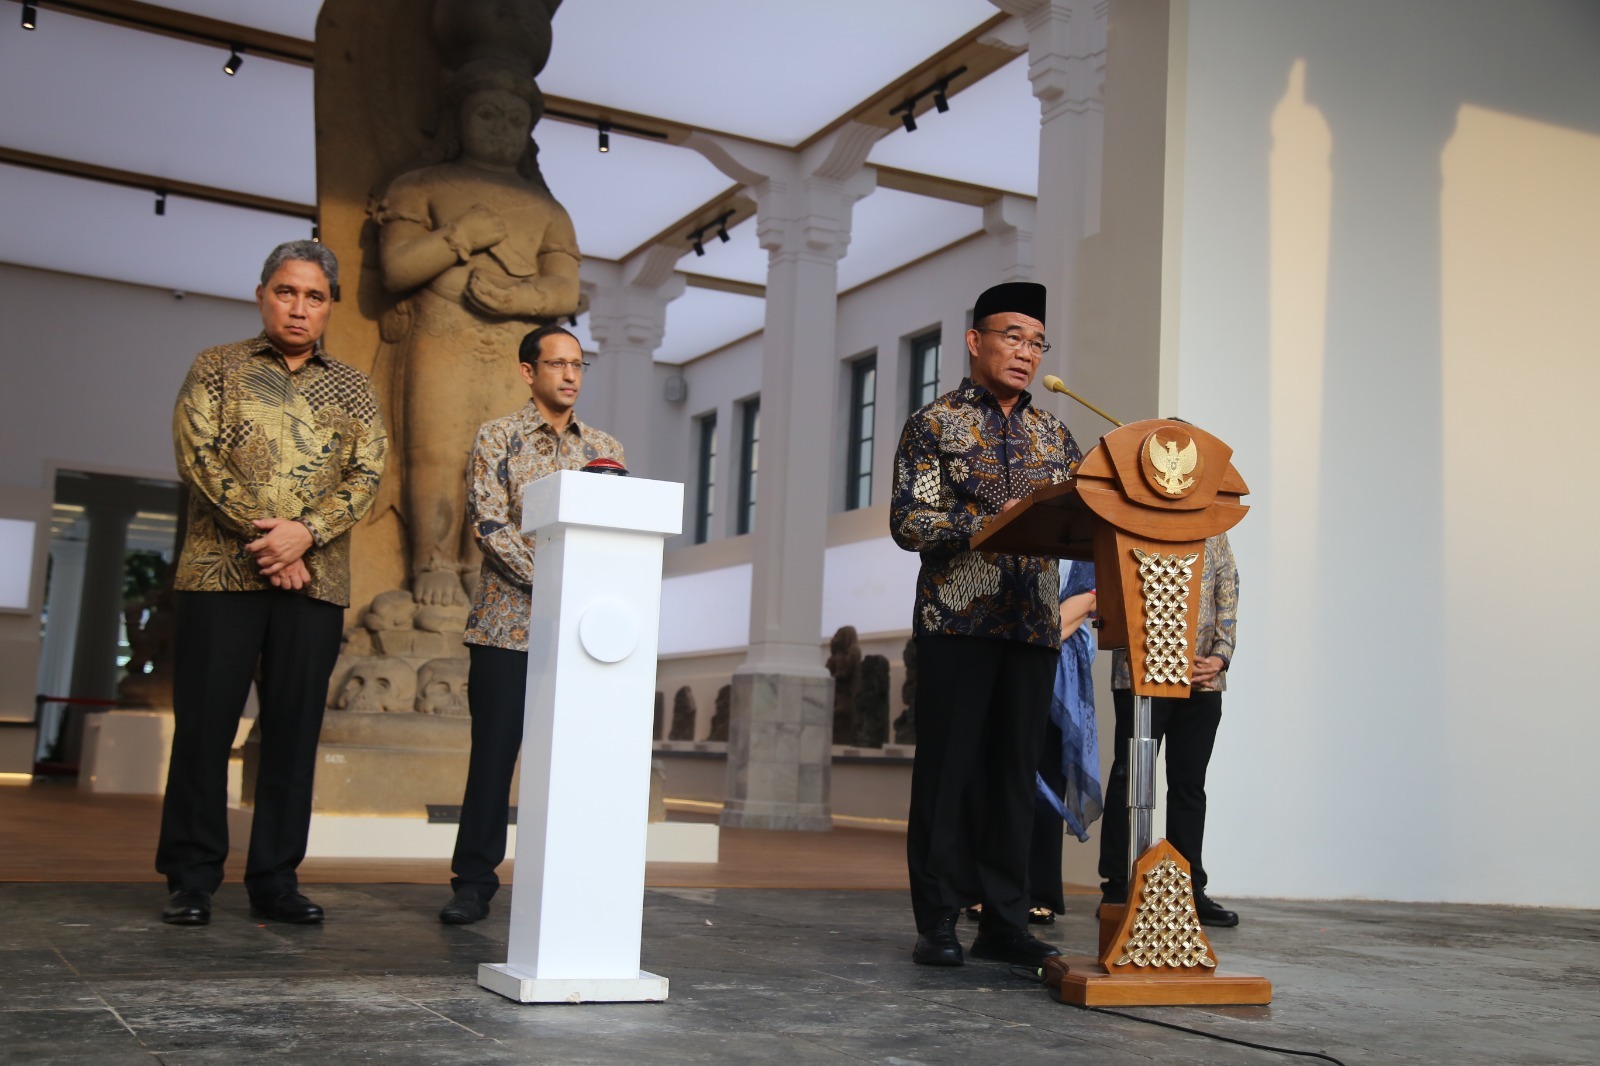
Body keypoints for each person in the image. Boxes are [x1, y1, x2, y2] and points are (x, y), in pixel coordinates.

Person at [158, 241, 388, 926]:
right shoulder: (217, 367)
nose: (298, 307)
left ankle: (276, 881)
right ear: (262, 295)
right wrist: (272, 540)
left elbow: (367, 474)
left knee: (293, 734)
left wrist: (305, 534)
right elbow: (197, 456)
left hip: (313, 583)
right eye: (286, 292)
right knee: (205, 729)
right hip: (217, 576)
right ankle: (191, 879)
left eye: (314, 296)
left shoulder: (355, 388)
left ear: (330, 307)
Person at [890, 281, 1082, 968]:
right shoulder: (935, 424)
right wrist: (989, 523)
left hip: (1032, 624)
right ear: (975, 341)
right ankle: (938, 919)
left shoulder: (1054, 435)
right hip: (957, 622)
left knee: (1014, 775)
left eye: (1037, 343)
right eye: (1012, 337)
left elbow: (1081, 519)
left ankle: (1005, 921)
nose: (1026, 352)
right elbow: (910, 522)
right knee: (948, 773)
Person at [374, 61, 582, 608]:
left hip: (515, 346)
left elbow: (565, 289)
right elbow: (397, 268)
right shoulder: (419, 187)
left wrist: (519, 299)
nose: (500, 129)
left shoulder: (546, 209)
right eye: (487, 114)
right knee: (436, 451)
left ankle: (482, 561)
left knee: (502, 457)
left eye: (515, 120)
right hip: (442, 335)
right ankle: (432, 561)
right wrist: (459, 235)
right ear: (458, 117)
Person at [438, 324, 624, 924]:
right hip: (506, 626)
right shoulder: (498, 438)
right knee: (494, 759)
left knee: (574, 761)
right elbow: (489, 526)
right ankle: (473, 883)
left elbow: (614, 534)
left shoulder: (605, 451)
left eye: (578, 365)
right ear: (528, 371)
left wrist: (586, 591)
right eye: (557, 364)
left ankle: (568, 882)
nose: (570, 375)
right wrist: (557, 581)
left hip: (581, 636)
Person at [1097, 531, 1240, 927]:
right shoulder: (1135, 522)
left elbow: (1228, 588)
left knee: (1189, 784)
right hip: (1142, 672)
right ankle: (1117, 888)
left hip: (1202, 678)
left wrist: (1221, 656)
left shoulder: (1214, 529)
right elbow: (1120, 588)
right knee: (1129, 778)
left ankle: (1189, 891)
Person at [1027, 561, 1101, 923]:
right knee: (994, 773)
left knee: (1047, 779)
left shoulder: (1086, 546)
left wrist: (1033, 636)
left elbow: (1088, 602)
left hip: (1061, 673)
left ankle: (1040, 891)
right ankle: (981, 887)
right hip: (1008, 652)